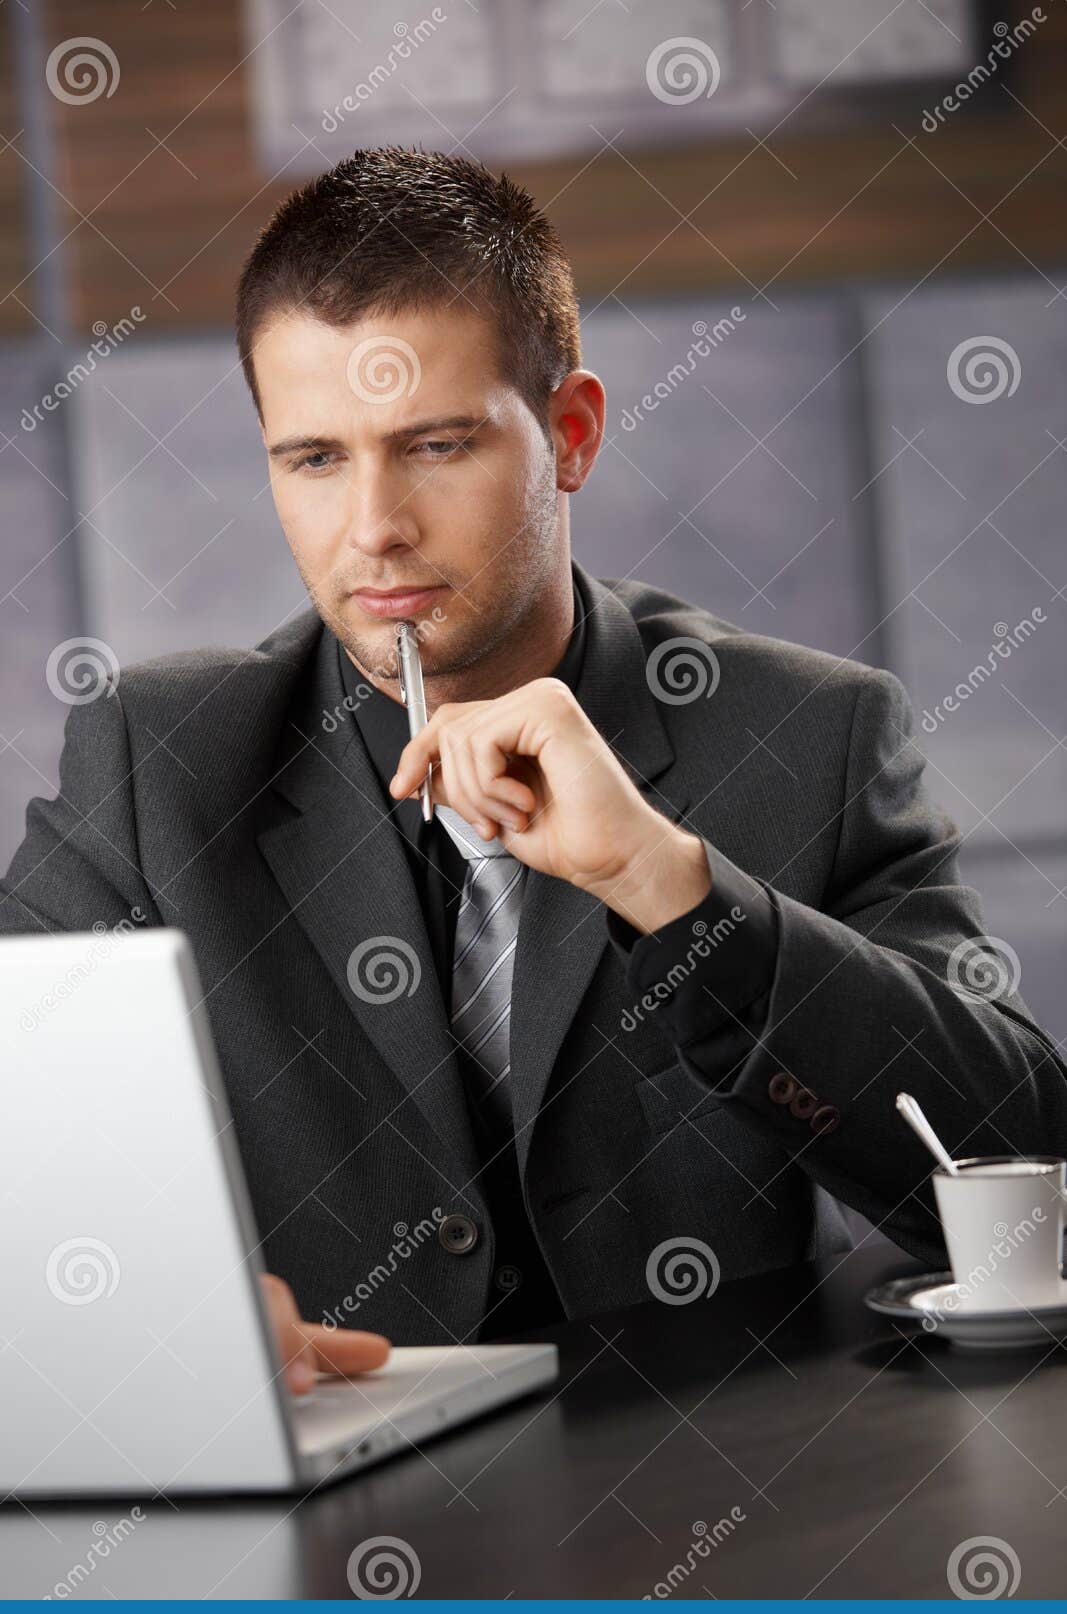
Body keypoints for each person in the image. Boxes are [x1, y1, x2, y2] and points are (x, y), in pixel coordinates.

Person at [4, 147, 1066, 1394]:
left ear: (568, 434)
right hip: (348, 1545)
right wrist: (147, 1296)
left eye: (436, 446)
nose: (372, 527)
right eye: (313, 459)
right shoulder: (160, 761)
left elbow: (1018, 1179)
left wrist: (671, 884)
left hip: (733, 1509)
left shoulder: (809, 737)